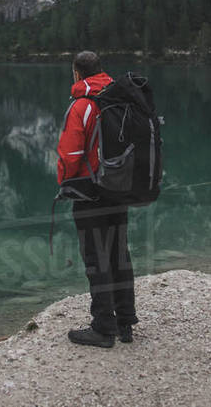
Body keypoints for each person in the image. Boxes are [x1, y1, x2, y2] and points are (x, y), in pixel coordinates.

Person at [56, 50, 137, 348]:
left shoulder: (83, 105)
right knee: (119, 252)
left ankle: (103, 328)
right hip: (120, 187)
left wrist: (65, 184)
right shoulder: (120, 98)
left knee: (96, 257)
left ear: (77, 73)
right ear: (100, 70)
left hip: (91, 192)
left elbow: (70, 155)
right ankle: (126, 322)